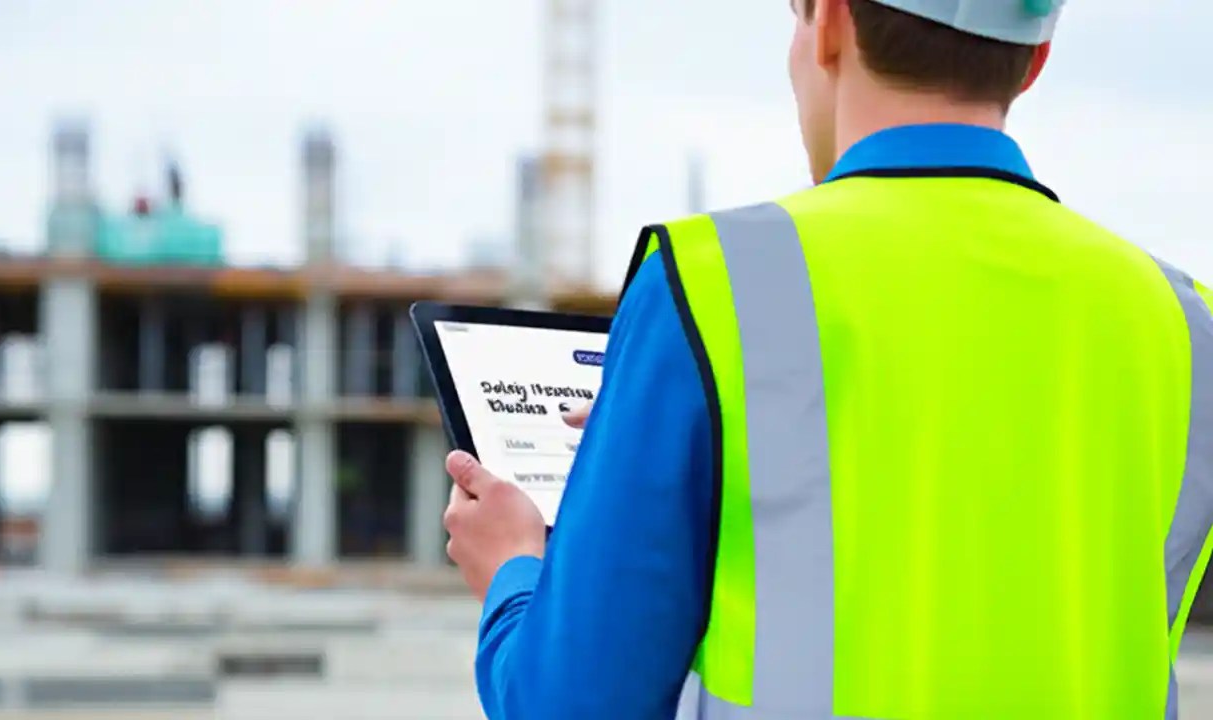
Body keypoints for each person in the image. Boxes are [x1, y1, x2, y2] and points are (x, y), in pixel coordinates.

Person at [442, 0, 1213, 717]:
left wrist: (514, 566)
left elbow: (571, 703)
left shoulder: (715, 282)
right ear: (1036, 54)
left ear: (831, 22)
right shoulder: (1181, 322)